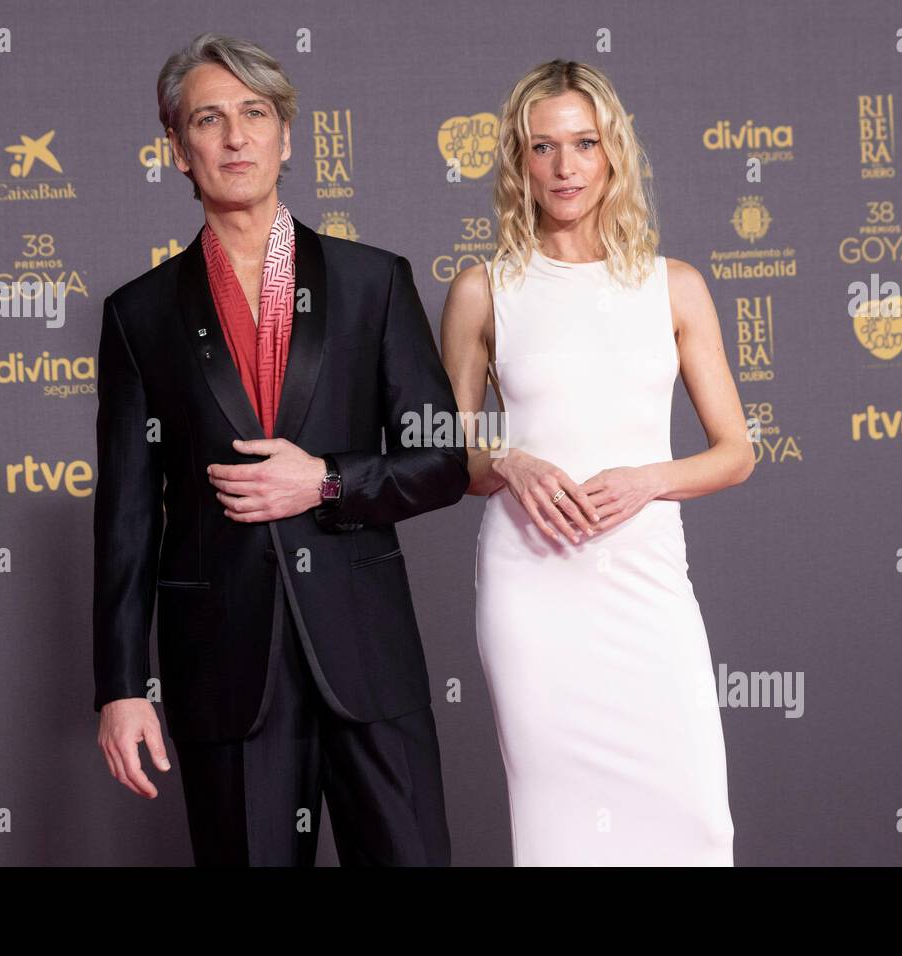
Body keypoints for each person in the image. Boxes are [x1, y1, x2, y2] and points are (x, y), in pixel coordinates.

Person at [92, 32, 467, 866]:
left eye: (255, 114)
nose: (236, 137)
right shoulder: (139, 314)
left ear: (286, 136)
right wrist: (121, 687)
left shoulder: (374, 282)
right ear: (177, 149)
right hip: (225, 668)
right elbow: (125, 522)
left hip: (369, 658)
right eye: (209, 120)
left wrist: (327, 481)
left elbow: (444, 461)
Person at [440, 59, 752, 865]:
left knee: (695, 822)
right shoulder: (483, 290)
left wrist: (649, 479)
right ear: (519, 161)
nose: (565, 166)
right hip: (532, 586)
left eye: (584, 143)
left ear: (614, 152)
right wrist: (509, 462)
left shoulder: (674, 287)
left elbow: (736, 452)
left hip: (646, 579)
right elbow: (447, 456)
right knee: (558, 825)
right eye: (543, 147)